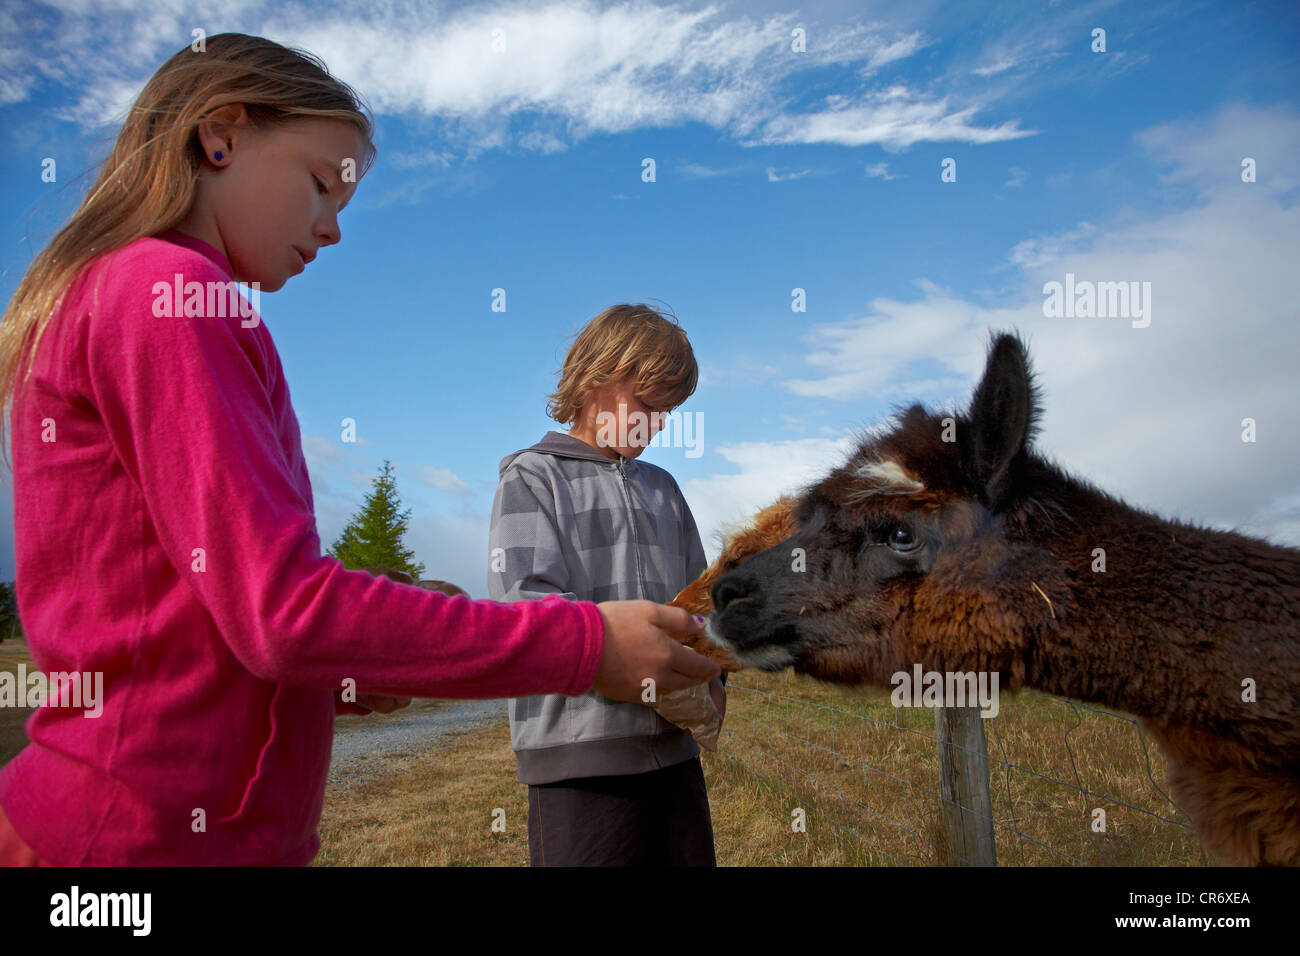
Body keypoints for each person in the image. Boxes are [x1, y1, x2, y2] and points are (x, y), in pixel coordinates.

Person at [0, 33, 717, 866]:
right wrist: (589, 644)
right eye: (320, 183)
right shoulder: (167, 292)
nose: (335, 229)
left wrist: (325, 676)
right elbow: (281, 613)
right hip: (128, 842)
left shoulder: (163, 298)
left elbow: (207, 620)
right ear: (220, 134)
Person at [489, 304, 726, 866]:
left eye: (667, 412)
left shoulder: (666, 490)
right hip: (578, 760)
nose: (658, 424)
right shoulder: (532, 476)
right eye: (648, 405)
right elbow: (526, 605)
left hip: (675, 755)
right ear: (597, 374)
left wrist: (714, 678)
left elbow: (701, 604)